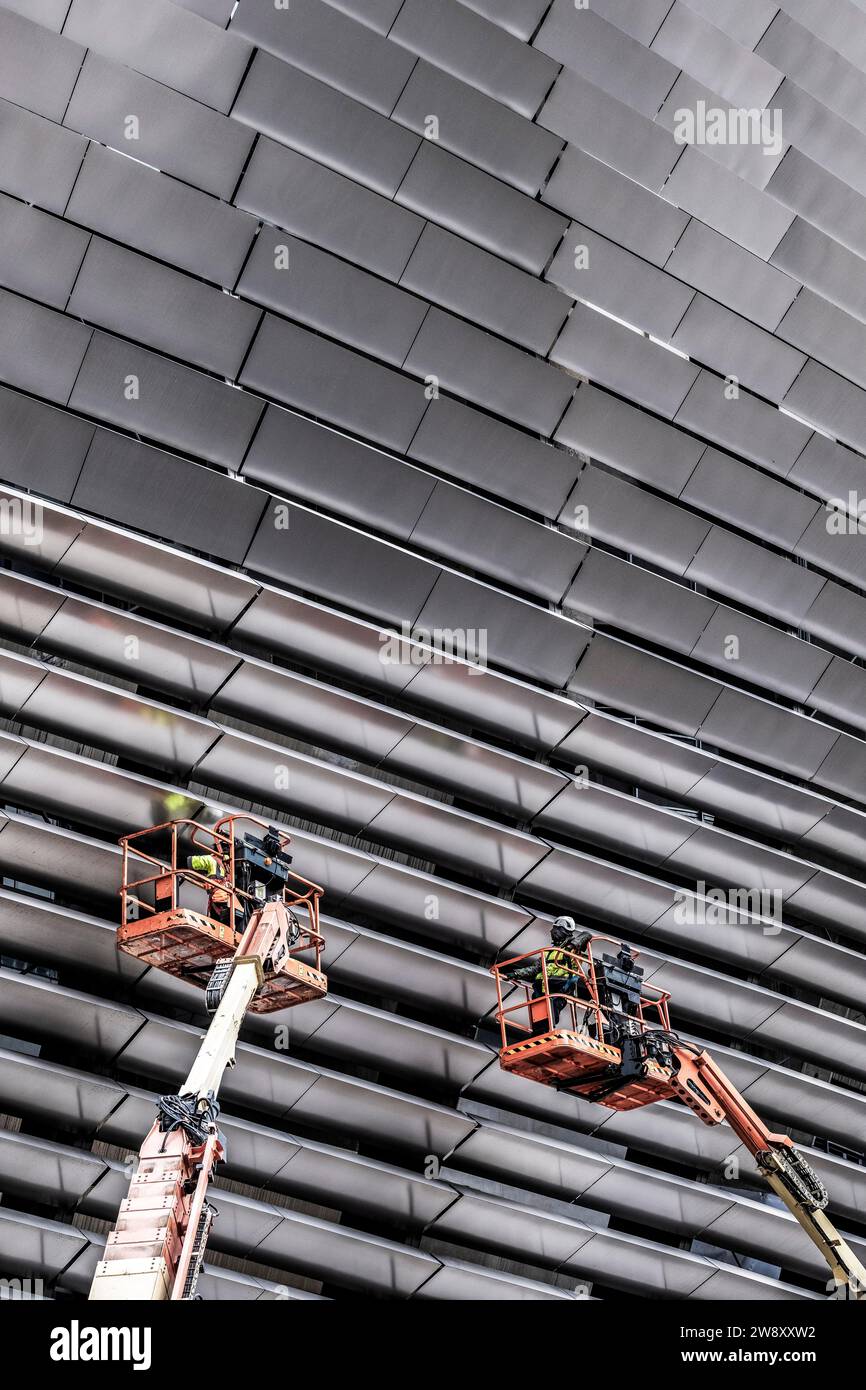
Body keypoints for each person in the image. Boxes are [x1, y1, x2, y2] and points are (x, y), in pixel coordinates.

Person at [187, 850, 233, 926]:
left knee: (214, 924)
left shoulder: (212, 859)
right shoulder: (230, 865)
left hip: (217, 900)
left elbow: (191, 862)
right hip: (226, 902)